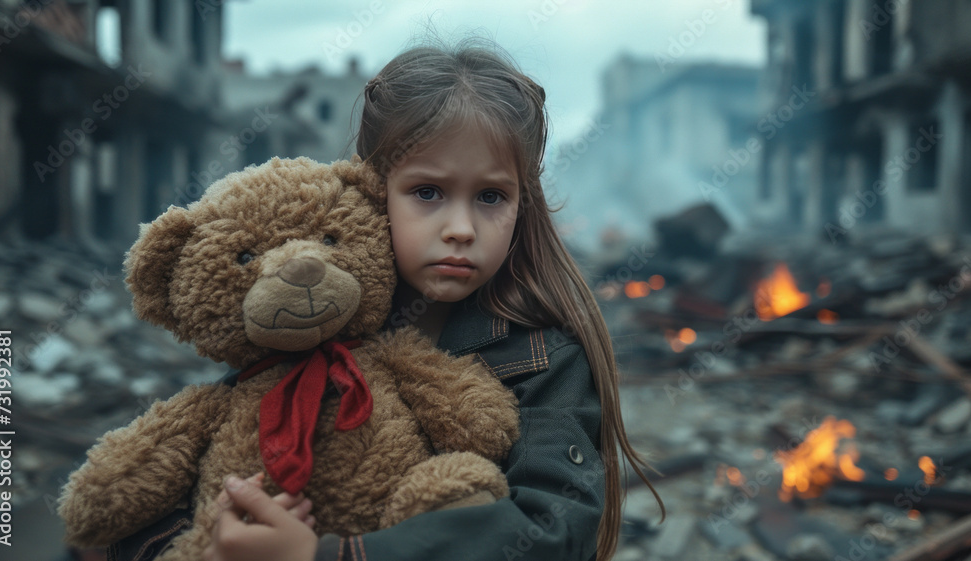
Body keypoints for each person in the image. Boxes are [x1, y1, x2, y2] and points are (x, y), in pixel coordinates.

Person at [204, 36, 664, 561]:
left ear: (522, 204)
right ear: (374, 188)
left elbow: (551, 531)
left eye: (491, 197)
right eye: (428, 193)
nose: (462, 229)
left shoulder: (546, 361)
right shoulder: (311, 320)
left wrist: (332, 556)